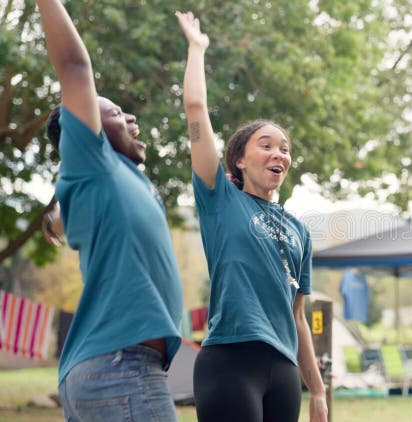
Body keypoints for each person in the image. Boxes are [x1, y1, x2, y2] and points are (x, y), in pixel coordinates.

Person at [175, 11, 327, 422]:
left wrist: (317, 389)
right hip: (230, 360)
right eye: (266, 145)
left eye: (285, 148)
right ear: (239, 159)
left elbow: (297, 316)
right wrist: (197, 48)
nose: (279, 153)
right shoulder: (220, 199)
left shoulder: (299, 231)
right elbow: (195, 107)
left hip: (283, 371)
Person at [36, 1, 184, 420]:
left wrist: (57, 215)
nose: (132, 116)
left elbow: (72, 213)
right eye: (116, 113)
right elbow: (75, 67)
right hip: (121, 367)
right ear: (87, 132)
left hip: (113, 367)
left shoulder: (116, 179)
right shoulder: (92, 159)